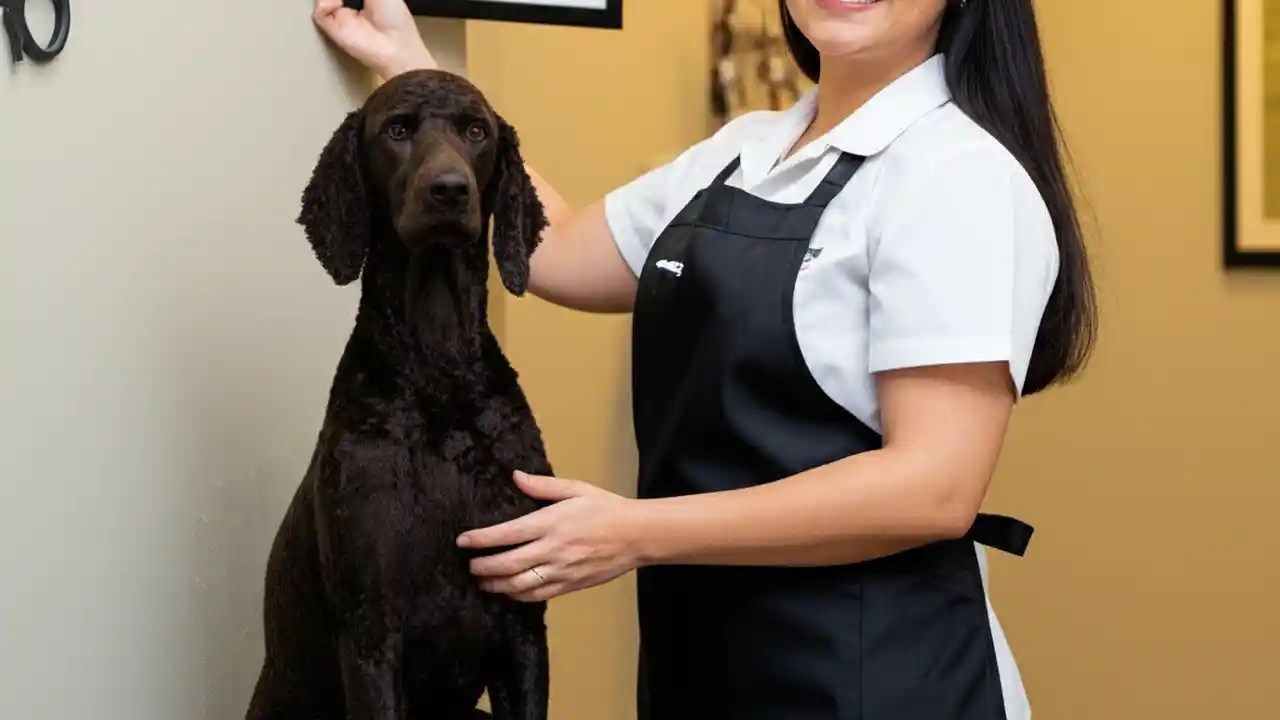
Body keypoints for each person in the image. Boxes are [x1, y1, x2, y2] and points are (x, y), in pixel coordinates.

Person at [311, 0, 1097, 717]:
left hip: (876, 679)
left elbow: (934, 488)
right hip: (706, 669)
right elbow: (559, 251)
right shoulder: (744, 152)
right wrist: (414, 70)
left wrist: (636, 530)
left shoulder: (959, 175)